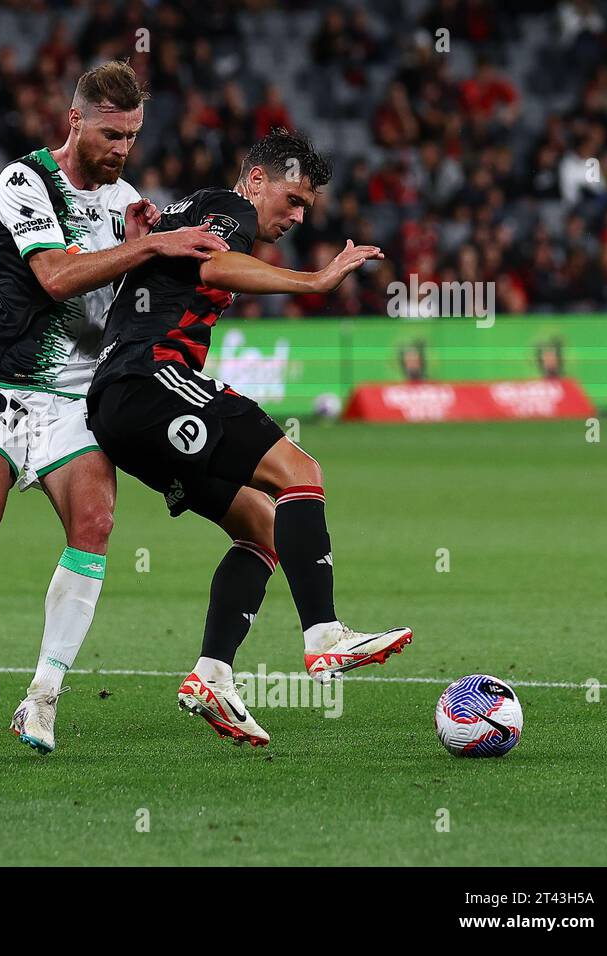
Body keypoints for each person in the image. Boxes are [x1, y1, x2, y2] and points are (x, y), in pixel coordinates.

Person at [0, 61, 232, 754]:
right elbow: (55, 277)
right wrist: (146, 244)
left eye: (133, 135)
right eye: (112, 133)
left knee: (95, 522)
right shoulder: (24, 179)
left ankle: (42, 696)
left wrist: (155, 251)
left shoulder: (130, 203)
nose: (122, 148)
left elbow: (145, 291)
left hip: (76, 391)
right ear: (75, 121)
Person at [87, 129, 413, 747]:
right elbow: (212, 263)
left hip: (119, 409)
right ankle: (324, 636)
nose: (294, 216)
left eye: (306, 210)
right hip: (150, 382)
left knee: (260, 527)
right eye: (290, 200)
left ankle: (211, 674)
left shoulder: (187, 211)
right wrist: (314, 282)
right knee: (300, 472)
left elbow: (167, 274)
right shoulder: (228, 209)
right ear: (256, 180)